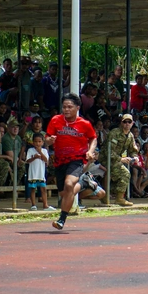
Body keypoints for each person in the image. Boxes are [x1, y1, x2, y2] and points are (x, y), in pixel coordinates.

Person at [46, 93, 103, 230]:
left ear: (77, 108)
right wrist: (49, 140)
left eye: (69, 107)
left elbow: (93, 138)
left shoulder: (84, 124)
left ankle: (62, 219)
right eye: (64, 107)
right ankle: (83, 183)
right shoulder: (55, 120)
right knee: (64, 193)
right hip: (60, 160)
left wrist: (90, 151)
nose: (66, 110)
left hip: (77, 159)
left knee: (69, 183)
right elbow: (47, 138)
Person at [107, 113, 139, 206]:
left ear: (132, 123)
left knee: (124, 174)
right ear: (121, 123)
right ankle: (119, 198)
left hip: (117, 160)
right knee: (125, 174)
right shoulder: (114, 133)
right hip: (107, 159)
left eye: (129, 122)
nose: (127, 124)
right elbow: (109, 151)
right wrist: (121, 159)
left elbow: (133, 150)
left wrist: (135, 157)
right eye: (125, 122)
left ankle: (114, 195)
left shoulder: (130, 136)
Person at [24, 133, 54, 211]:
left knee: (43, 189)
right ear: (33, 142)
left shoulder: (44, 151)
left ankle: (45, 205)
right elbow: (28, 161)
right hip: (33, 174)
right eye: (36, 141)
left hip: (41, 174)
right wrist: (34, 157)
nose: (37, 143)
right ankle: (33, 205)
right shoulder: (30, 150)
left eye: (39, 141)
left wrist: (40, 152)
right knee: (33, 189)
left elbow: (46, 161)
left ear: (42, 142)